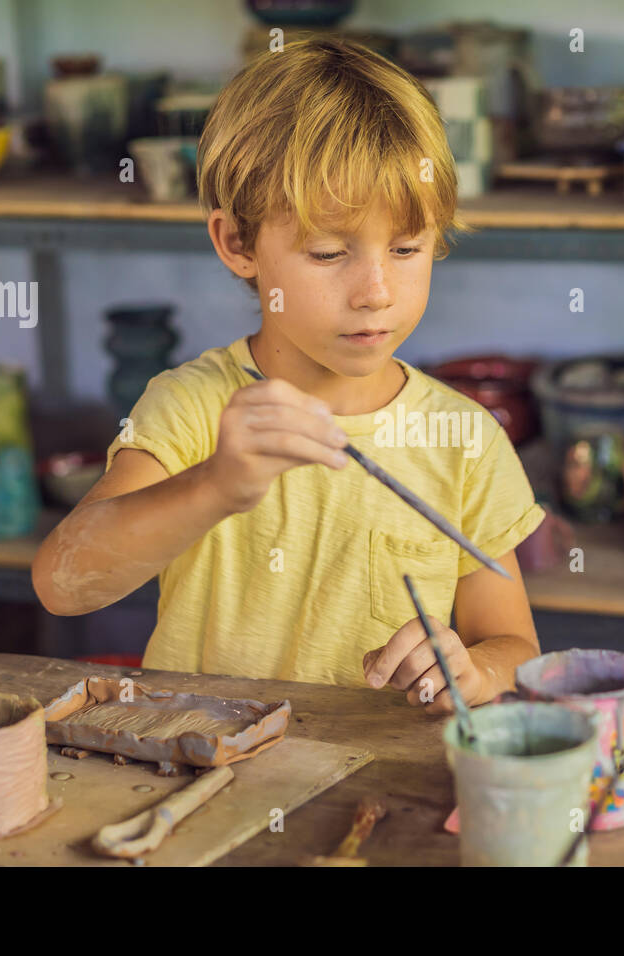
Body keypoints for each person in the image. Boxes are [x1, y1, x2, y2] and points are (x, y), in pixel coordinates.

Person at [33, 38, 545, 714]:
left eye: (407, 248)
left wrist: (472, 669)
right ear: (237, 243)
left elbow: (515, 648)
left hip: (377, 780)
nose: (376, 292)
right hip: (202, 769)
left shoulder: (466, 439)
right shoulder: (192, 408)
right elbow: (64, 585)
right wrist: (216, 484)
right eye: (330, 251)